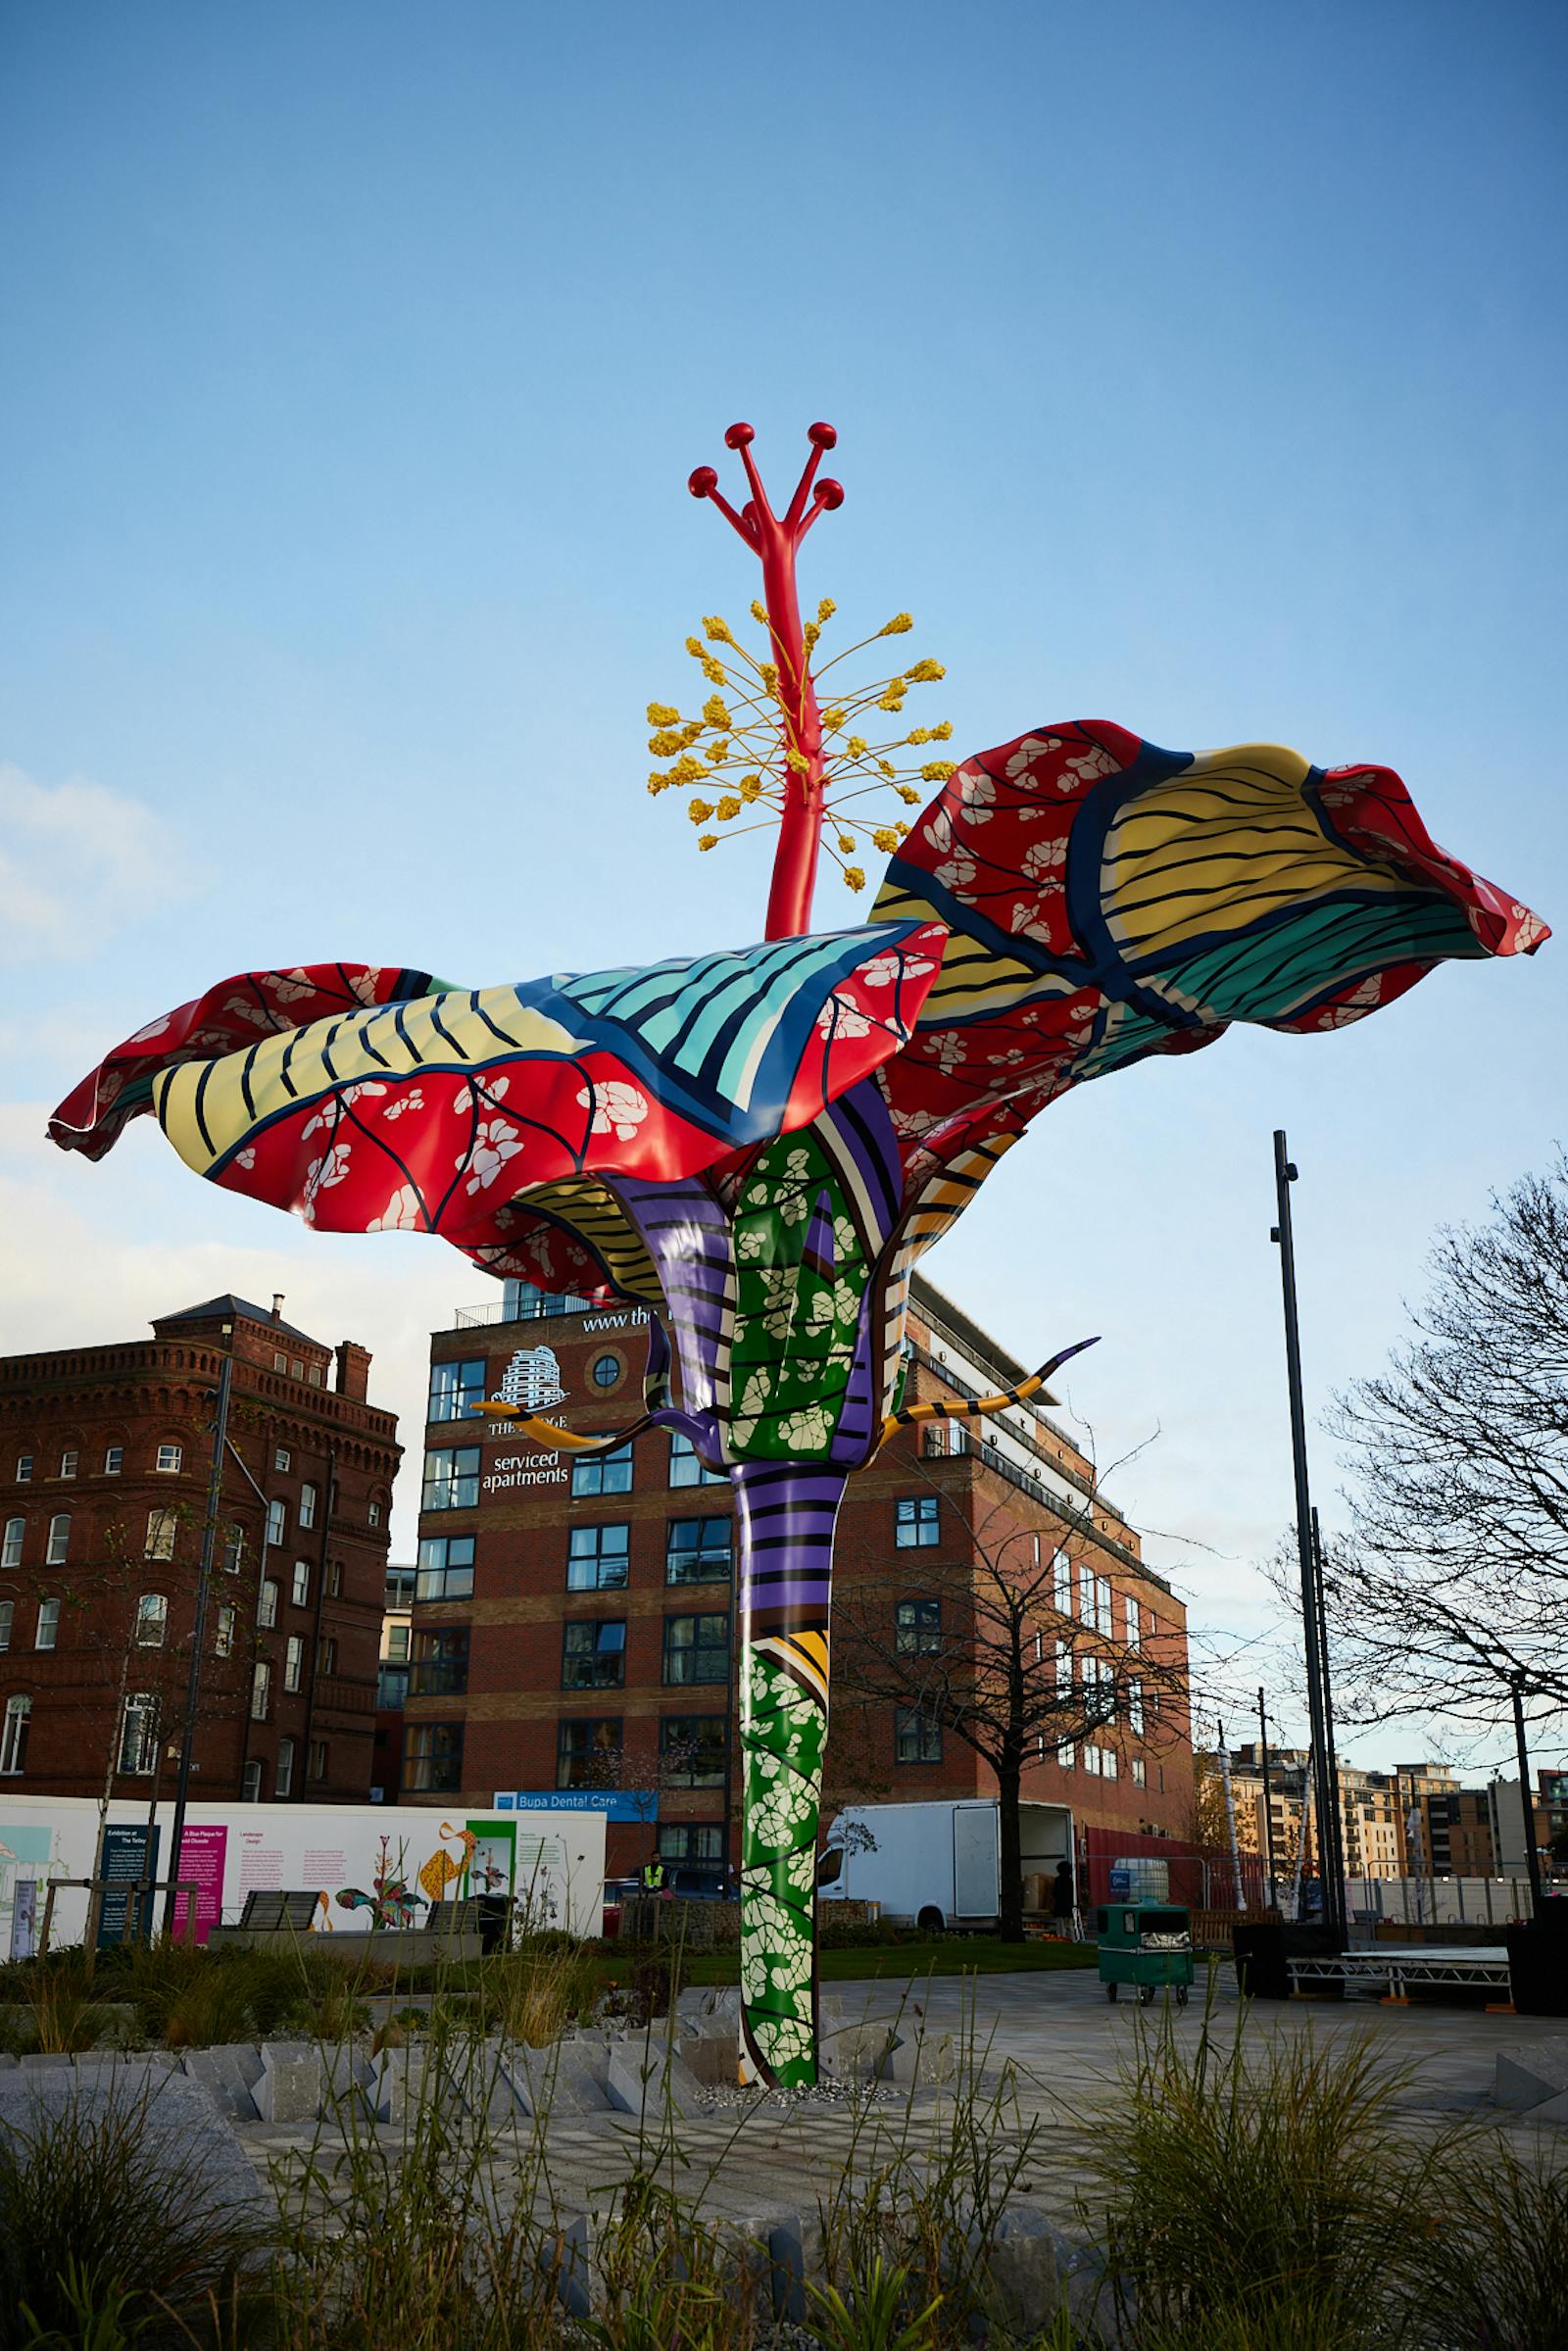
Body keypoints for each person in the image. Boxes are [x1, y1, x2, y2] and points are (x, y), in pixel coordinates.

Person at [1052, 1857, 1079, 1940]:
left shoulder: (1058, 1880)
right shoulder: (1070, 1881)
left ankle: (1061, 1940)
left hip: (1060, 1908)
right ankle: (1072, 1940)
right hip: (1068, 1908)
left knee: (1061, 1928)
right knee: (1069, 1927)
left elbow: (1055, 1894)